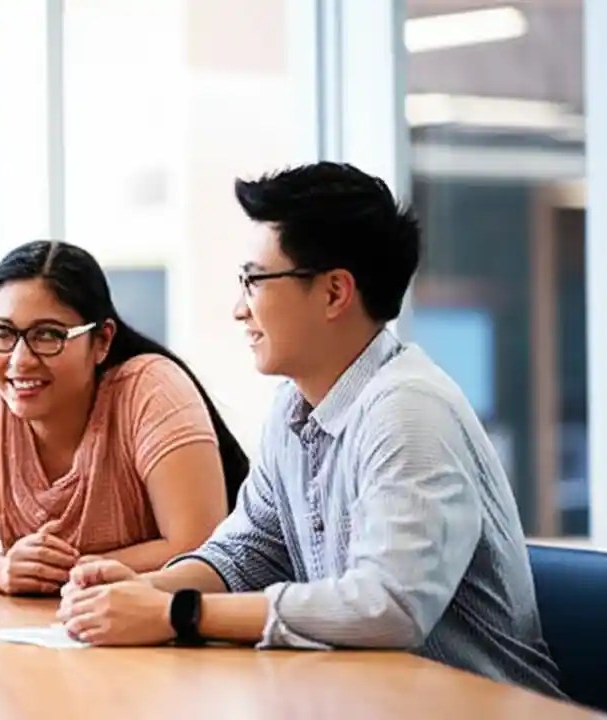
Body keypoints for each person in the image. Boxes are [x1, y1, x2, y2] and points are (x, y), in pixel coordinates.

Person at [56, 161, 563, 698]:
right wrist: (140, 590)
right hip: (365, 699)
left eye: (254, 280)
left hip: (476, 706)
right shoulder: (293, 409)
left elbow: (385, 608)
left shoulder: (408, 411)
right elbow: (248, 550)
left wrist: (177, 612)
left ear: (333, 293)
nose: (238, 309)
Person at [0, 239, 250, 595]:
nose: (20, 360)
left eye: (48, 335)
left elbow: (200, 547)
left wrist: (55, 573)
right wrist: (1, 570)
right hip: (55, 637)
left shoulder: (149, 387)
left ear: (102, 341)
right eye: (3, 332)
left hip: (177, 641)